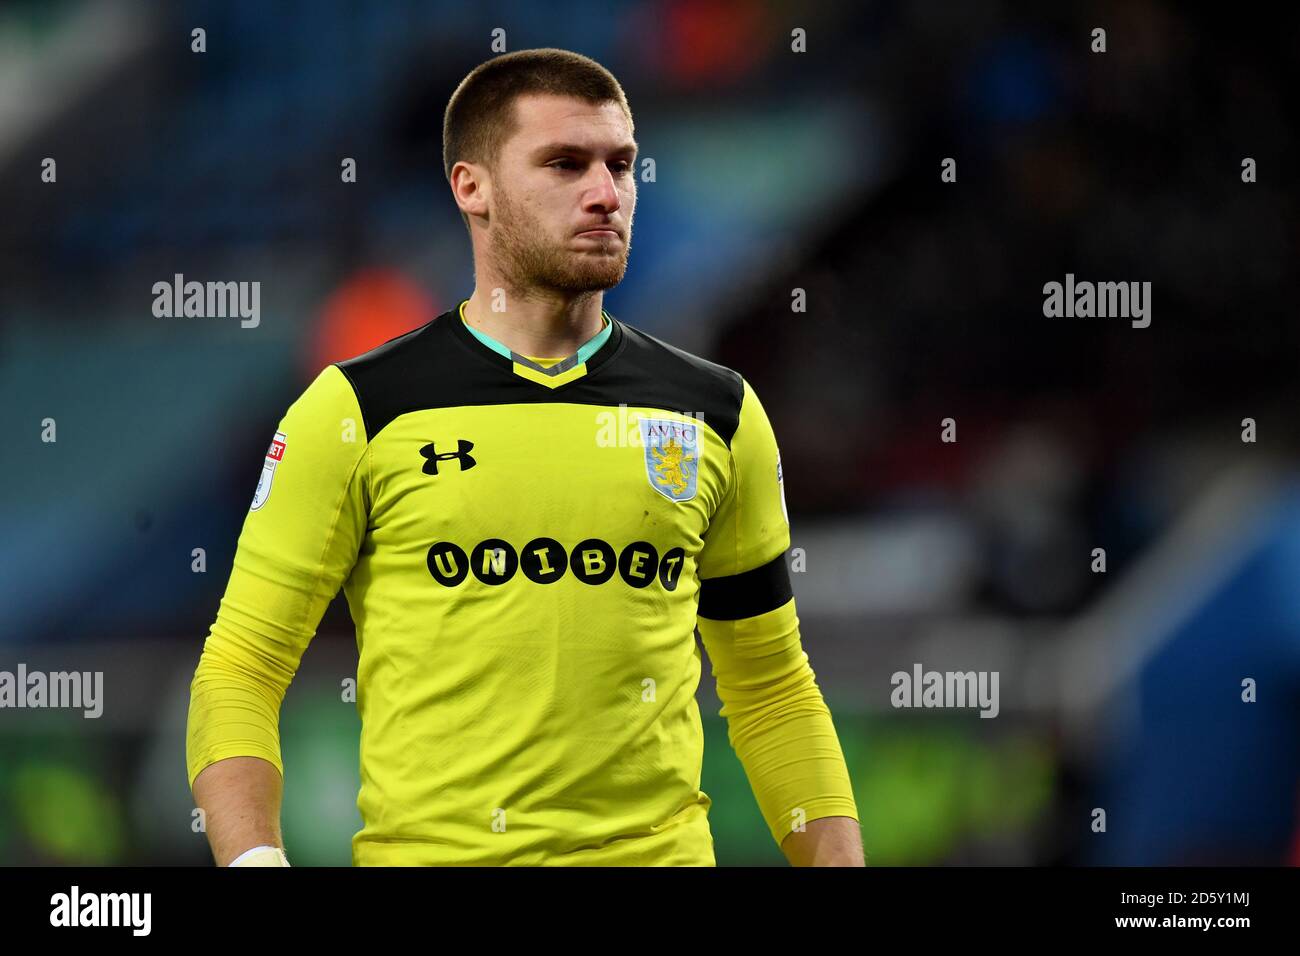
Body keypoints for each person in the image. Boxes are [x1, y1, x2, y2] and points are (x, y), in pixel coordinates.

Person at [187, 47, 861, 866]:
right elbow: (241, 666)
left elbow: (771, 687)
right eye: (565, 164)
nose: (605, 194)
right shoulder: (358, 409)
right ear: (472, 187)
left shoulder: (716, 413)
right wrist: (255, 861)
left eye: (622, 165)